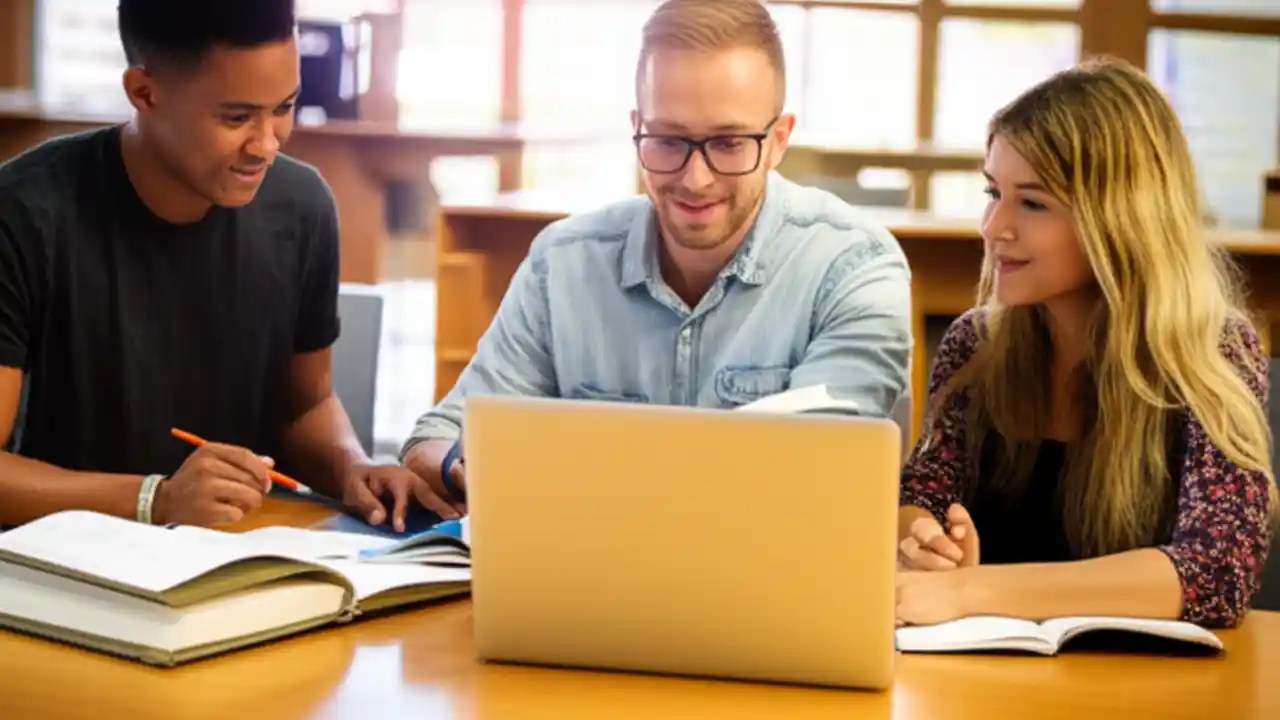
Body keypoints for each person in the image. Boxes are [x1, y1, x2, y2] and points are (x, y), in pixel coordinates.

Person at [401, 0, 912, 515]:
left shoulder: (853, 266)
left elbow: (828, 473)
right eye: (668, 141)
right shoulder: (561, 264)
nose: (696, 179)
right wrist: (464, 469)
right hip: (581, 583)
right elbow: (441, 435)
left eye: (729, 143)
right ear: (636, 127)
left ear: (779, 139)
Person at [0, 0, 443, 532]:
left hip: (240, 552)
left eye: (284, 107)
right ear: (144, 92)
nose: (266, 144)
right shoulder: (25, 212)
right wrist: (153, 499)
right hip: (70, 566)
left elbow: (305, 407)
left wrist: (354, 465)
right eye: (236, 117)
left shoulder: (302, 206)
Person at [895, 57, 1276, 629]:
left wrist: (975, 590)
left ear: (1120, 218)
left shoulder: (1213, 350)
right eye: (992, 191)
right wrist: (923, 544)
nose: (993, 227)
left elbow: (1216, 574)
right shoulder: (975, 344)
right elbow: (920, 496)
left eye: (1033, 203)